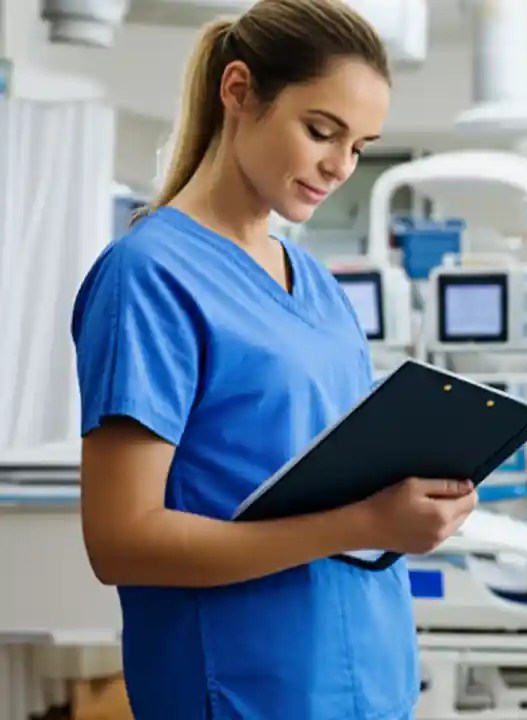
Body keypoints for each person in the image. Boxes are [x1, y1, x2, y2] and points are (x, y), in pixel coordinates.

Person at [69, 1, 476, 718]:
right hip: (246, 686)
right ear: (238, 92)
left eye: (359, 145)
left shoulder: (312, 280)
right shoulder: (149, 276)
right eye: (321, 132)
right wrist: (367, 524)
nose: (340, 166)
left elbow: (329, 474)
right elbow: (122, 541)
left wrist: (414, 501)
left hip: (364, 674)